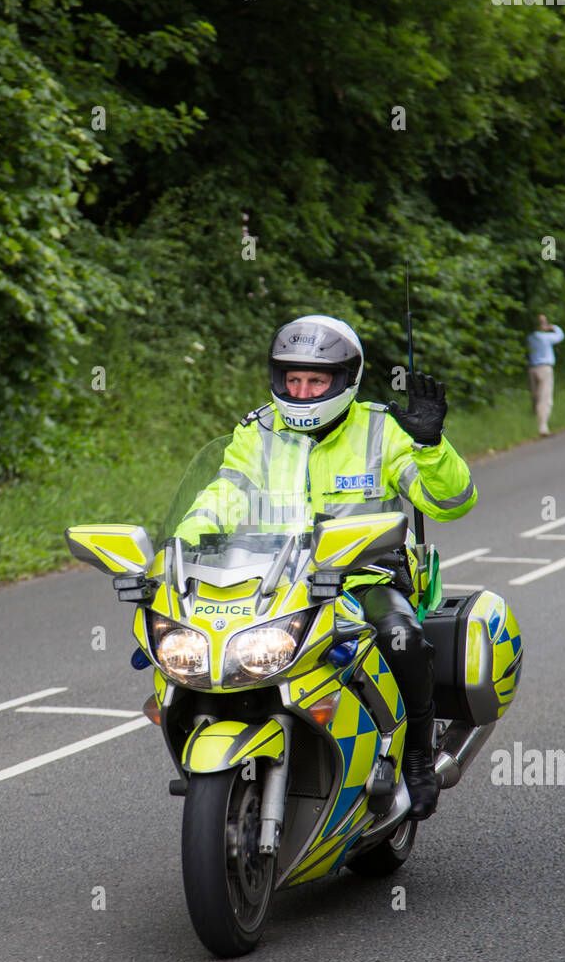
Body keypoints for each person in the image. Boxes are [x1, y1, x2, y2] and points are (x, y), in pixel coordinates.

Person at [174, 315, 477, 822]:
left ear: (345, 380)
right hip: (272, 577)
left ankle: (418, 758)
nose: (303, 391)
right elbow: (225, 492)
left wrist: (429, 446)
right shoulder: (257, 431)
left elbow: (452, 502)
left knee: (400, 638)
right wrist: (180, 547)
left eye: (316, 380)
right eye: (293, 379)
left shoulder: (383, 429)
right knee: (198, 648)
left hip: (364, 577)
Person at [526, 313, 565, 437]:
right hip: (544, 368)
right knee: (545, 398)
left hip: (532, 369)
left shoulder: (529, 337)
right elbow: (560, 335)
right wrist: (551, 327)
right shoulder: (545, 337)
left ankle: (534, 421)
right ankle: (543, 426)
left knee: (535, 396)